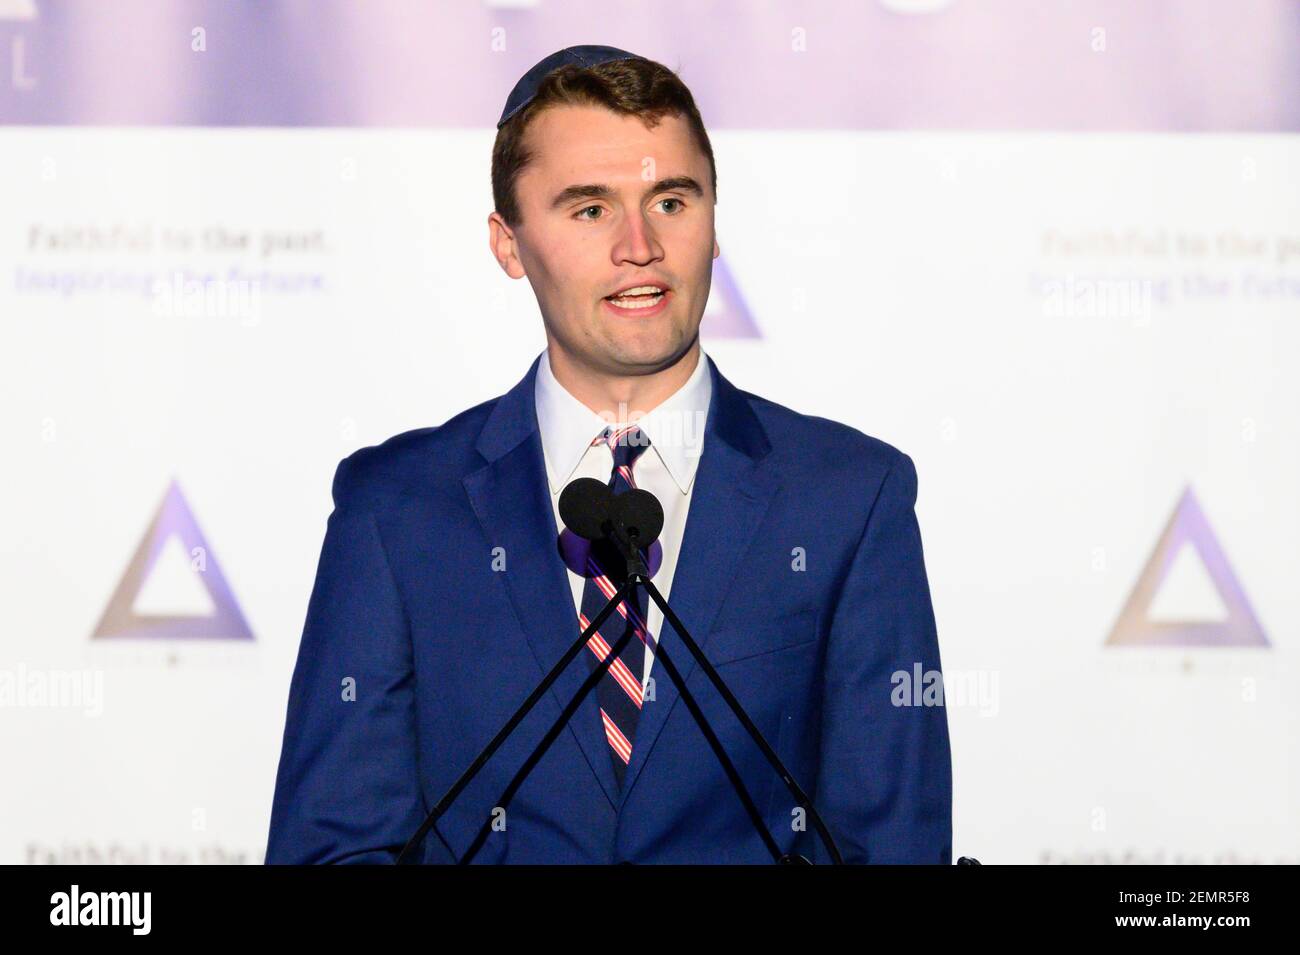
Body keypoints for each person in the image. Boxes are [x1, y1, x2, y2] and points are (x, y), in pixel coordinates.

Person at [266, 45, 952, 864]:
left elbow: (893, 847)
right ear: (508, 243)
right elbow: (332, 850)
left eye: (670, 200)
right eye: (589, 209)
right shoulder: (396, 509)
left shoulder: (850, 499)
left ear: (714, 221)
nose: (640, 245)